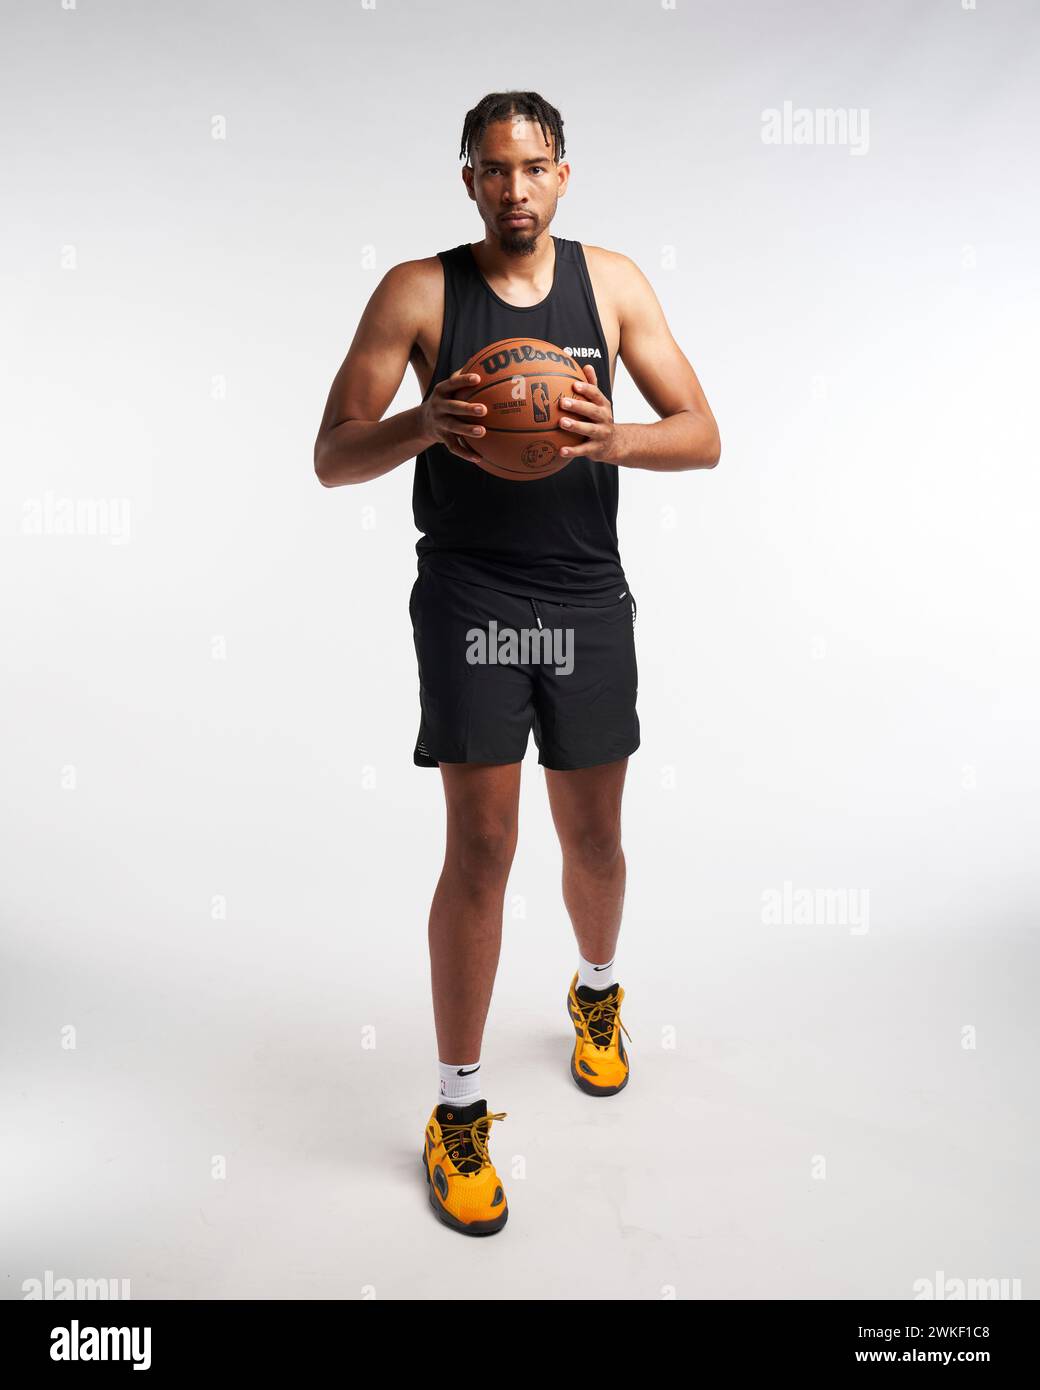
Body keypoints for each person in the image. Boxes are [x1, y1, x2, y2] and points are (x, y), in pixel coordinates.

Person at [314, 91, 721, 1236]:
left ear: (563, 174)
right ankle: (457, 1108)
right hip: (471, 594)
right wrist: (422, 427)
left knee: (592, 837)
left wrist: (616, 437)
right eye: (493, 169)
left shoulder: (616, 284)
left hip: (585, 593)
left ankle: (595, 994)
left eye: (533, 166)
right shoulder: (417, 292)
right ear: (467, 181)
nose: (514, 188)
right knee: (482, 843)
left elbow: (702, 430)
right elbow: (331, 456)